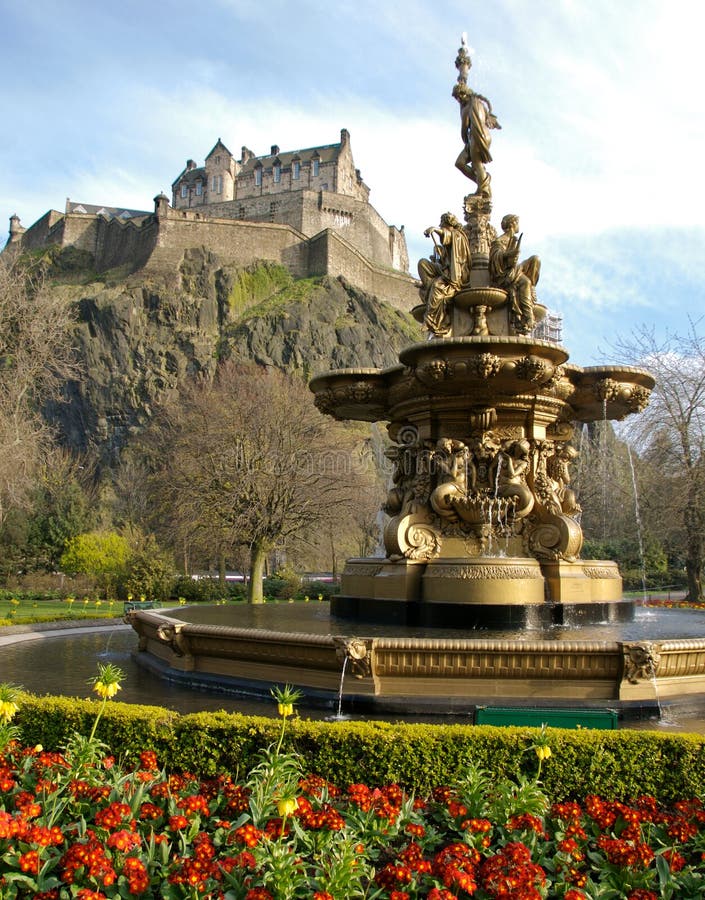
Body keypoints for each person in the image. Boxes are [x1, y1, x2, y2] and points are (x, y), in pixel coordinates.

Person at [417, 213, 471, 337]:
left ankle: (431, 320)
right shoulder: (448, 239)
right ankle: (428, 286)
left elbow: (449, 236)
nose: (441, 227)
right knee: (423, 264)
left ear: (448, 225)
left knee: (437, 287)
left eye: (442, 225)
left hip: (456, 275)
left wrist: (435, 230)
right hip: (445, 270)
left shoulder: (458, 236)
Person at [489, 214, 541, 334]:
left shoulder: (513, 239)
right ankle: (528, 316)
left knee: (535, 260)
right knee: (525, 282)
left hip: (514, 270)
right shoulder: (500, 240)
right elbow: (495, 258)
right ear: (512, 224)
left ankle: (530, 292)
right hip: (505, 275)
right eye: (517, 222)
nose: (518, 225)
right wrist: (510, 253)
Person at [453, 82, 501, 198]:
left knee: (476, 163)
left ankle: (483, 189)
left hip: (476, 135)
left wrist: (465, 140)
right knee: (461, 163)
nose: (459, 100)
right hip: (486, 135)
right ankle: (482, 183)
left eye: (459, 97)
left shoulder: (467, 107)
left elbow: (464, 128)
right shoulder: (479, 103)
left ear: (464, 94)